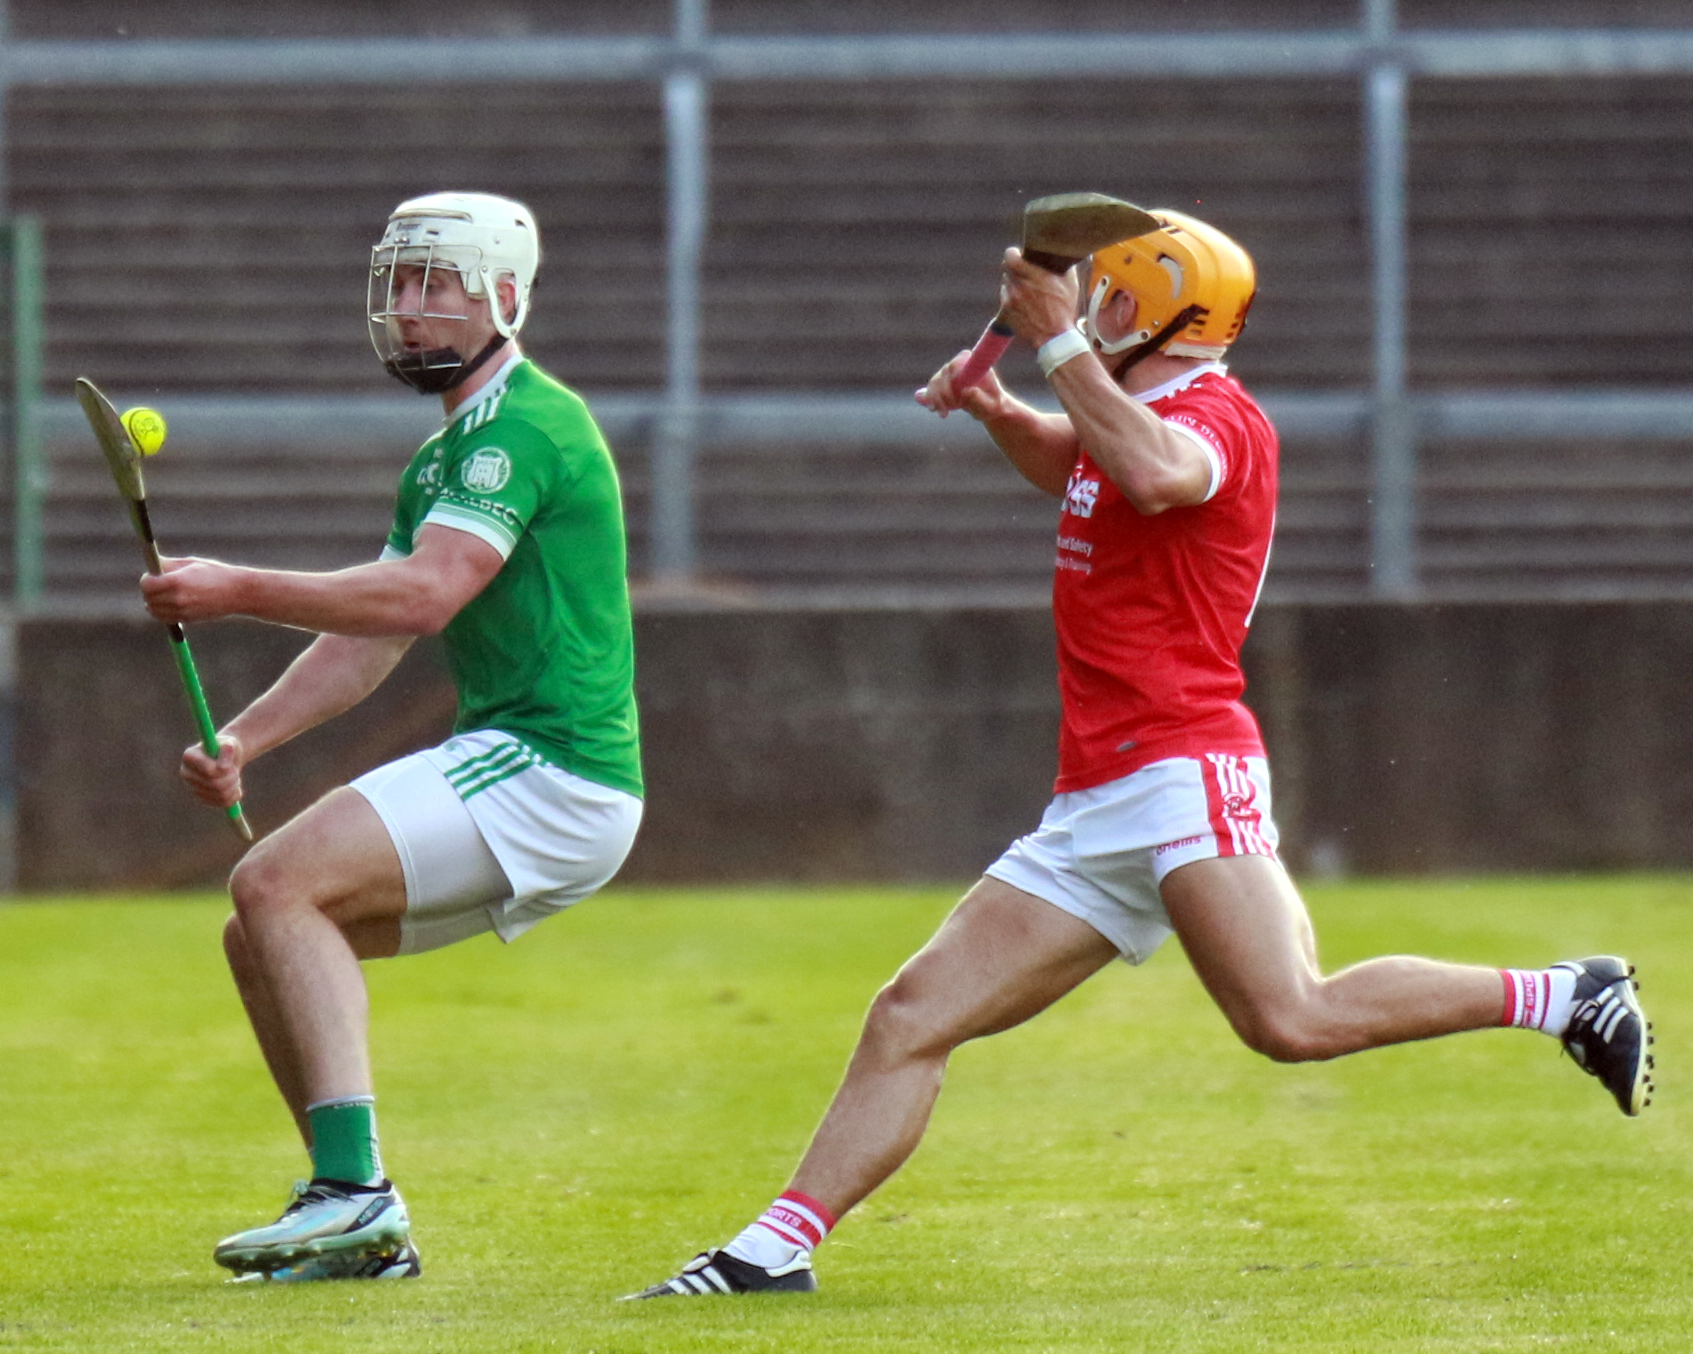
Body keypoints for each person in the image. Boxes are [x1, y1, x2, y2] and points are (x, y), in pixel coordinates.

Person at [628, 207, 1651, 1300]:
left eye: (1116, 296)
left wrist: (1060, 342)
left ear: (1162, 309)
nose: (1098, 310)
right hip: (1096, 793)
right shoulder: (1126, 405)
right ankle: (771, 1251)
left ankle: (1563, 995)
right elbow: (1075, 461)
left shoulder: (1220, 418)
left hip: (1180, 767)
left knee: (1288, 1018)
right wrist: (993, 402)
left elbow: (1157, 474)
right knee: (911, 1014)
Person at [141, 191, 643, 1283]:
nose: (412, 310)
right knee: (260, 931)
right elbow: (362, 646)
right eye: (401, 285)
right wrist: (244, 738)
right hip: (526, 769)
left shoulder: (523, 431)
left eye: (440, 285)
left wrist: (233, 588)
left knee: (274, 882)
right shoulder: (442, 459)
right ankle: (362, 1223)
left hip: (552, 766)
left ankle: (353, 1192)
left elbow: (420, 598)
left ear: (507, 296)